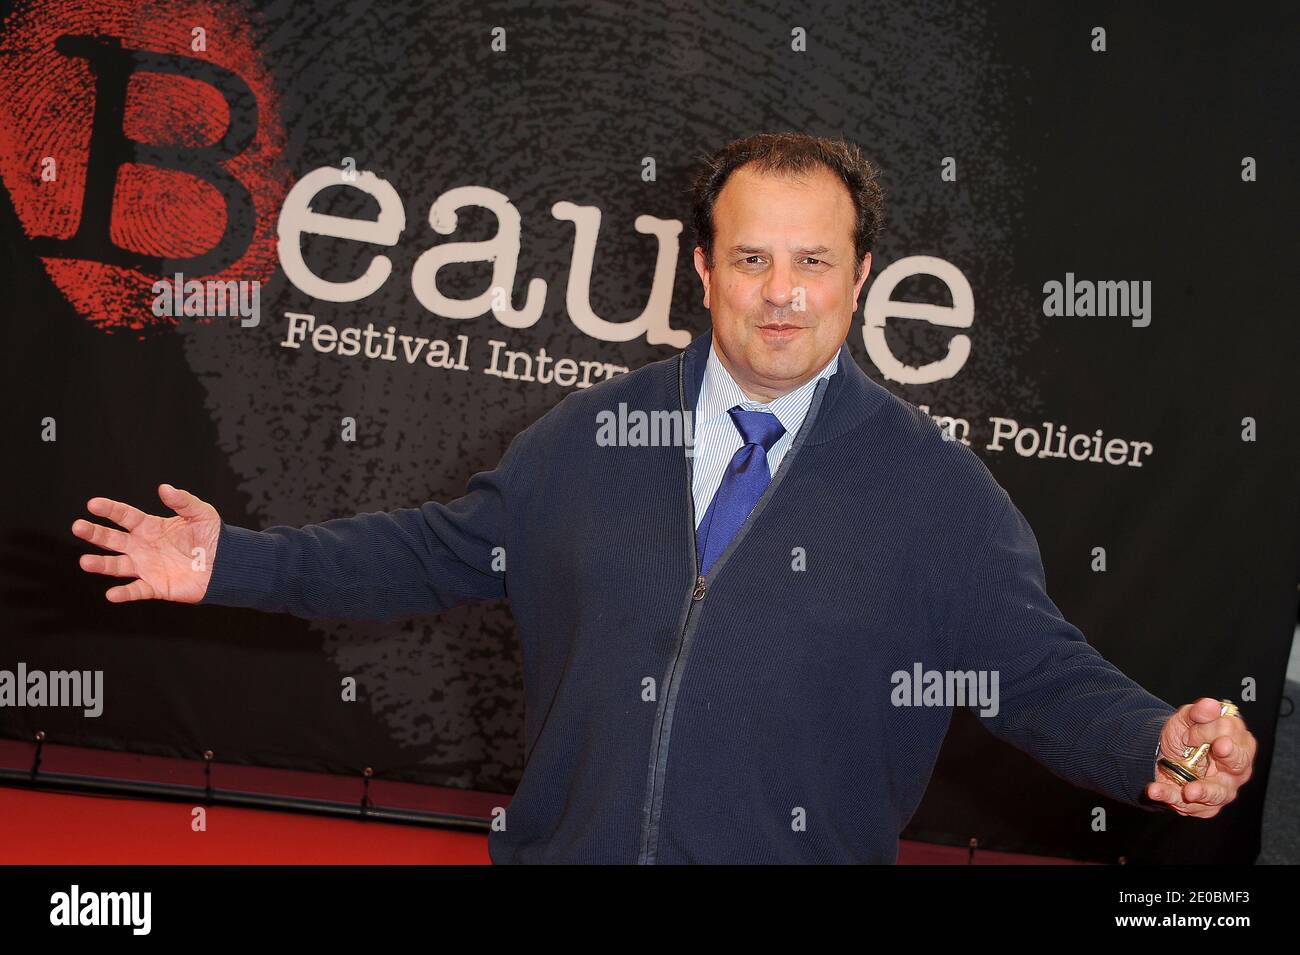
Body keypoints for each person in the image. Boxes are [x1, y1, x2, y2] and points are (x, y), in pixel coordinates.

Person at [72, 132, 1257, 863]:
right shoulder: (593, 433)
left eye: (812, 262)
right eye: (751, 258)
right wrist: (238, 562)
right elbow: (440, 552)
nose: (780, 294)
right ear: (701, 270)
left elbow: (1032, 672)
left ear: (860, 281)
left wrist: (1148, 737)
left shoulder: (936, 492)